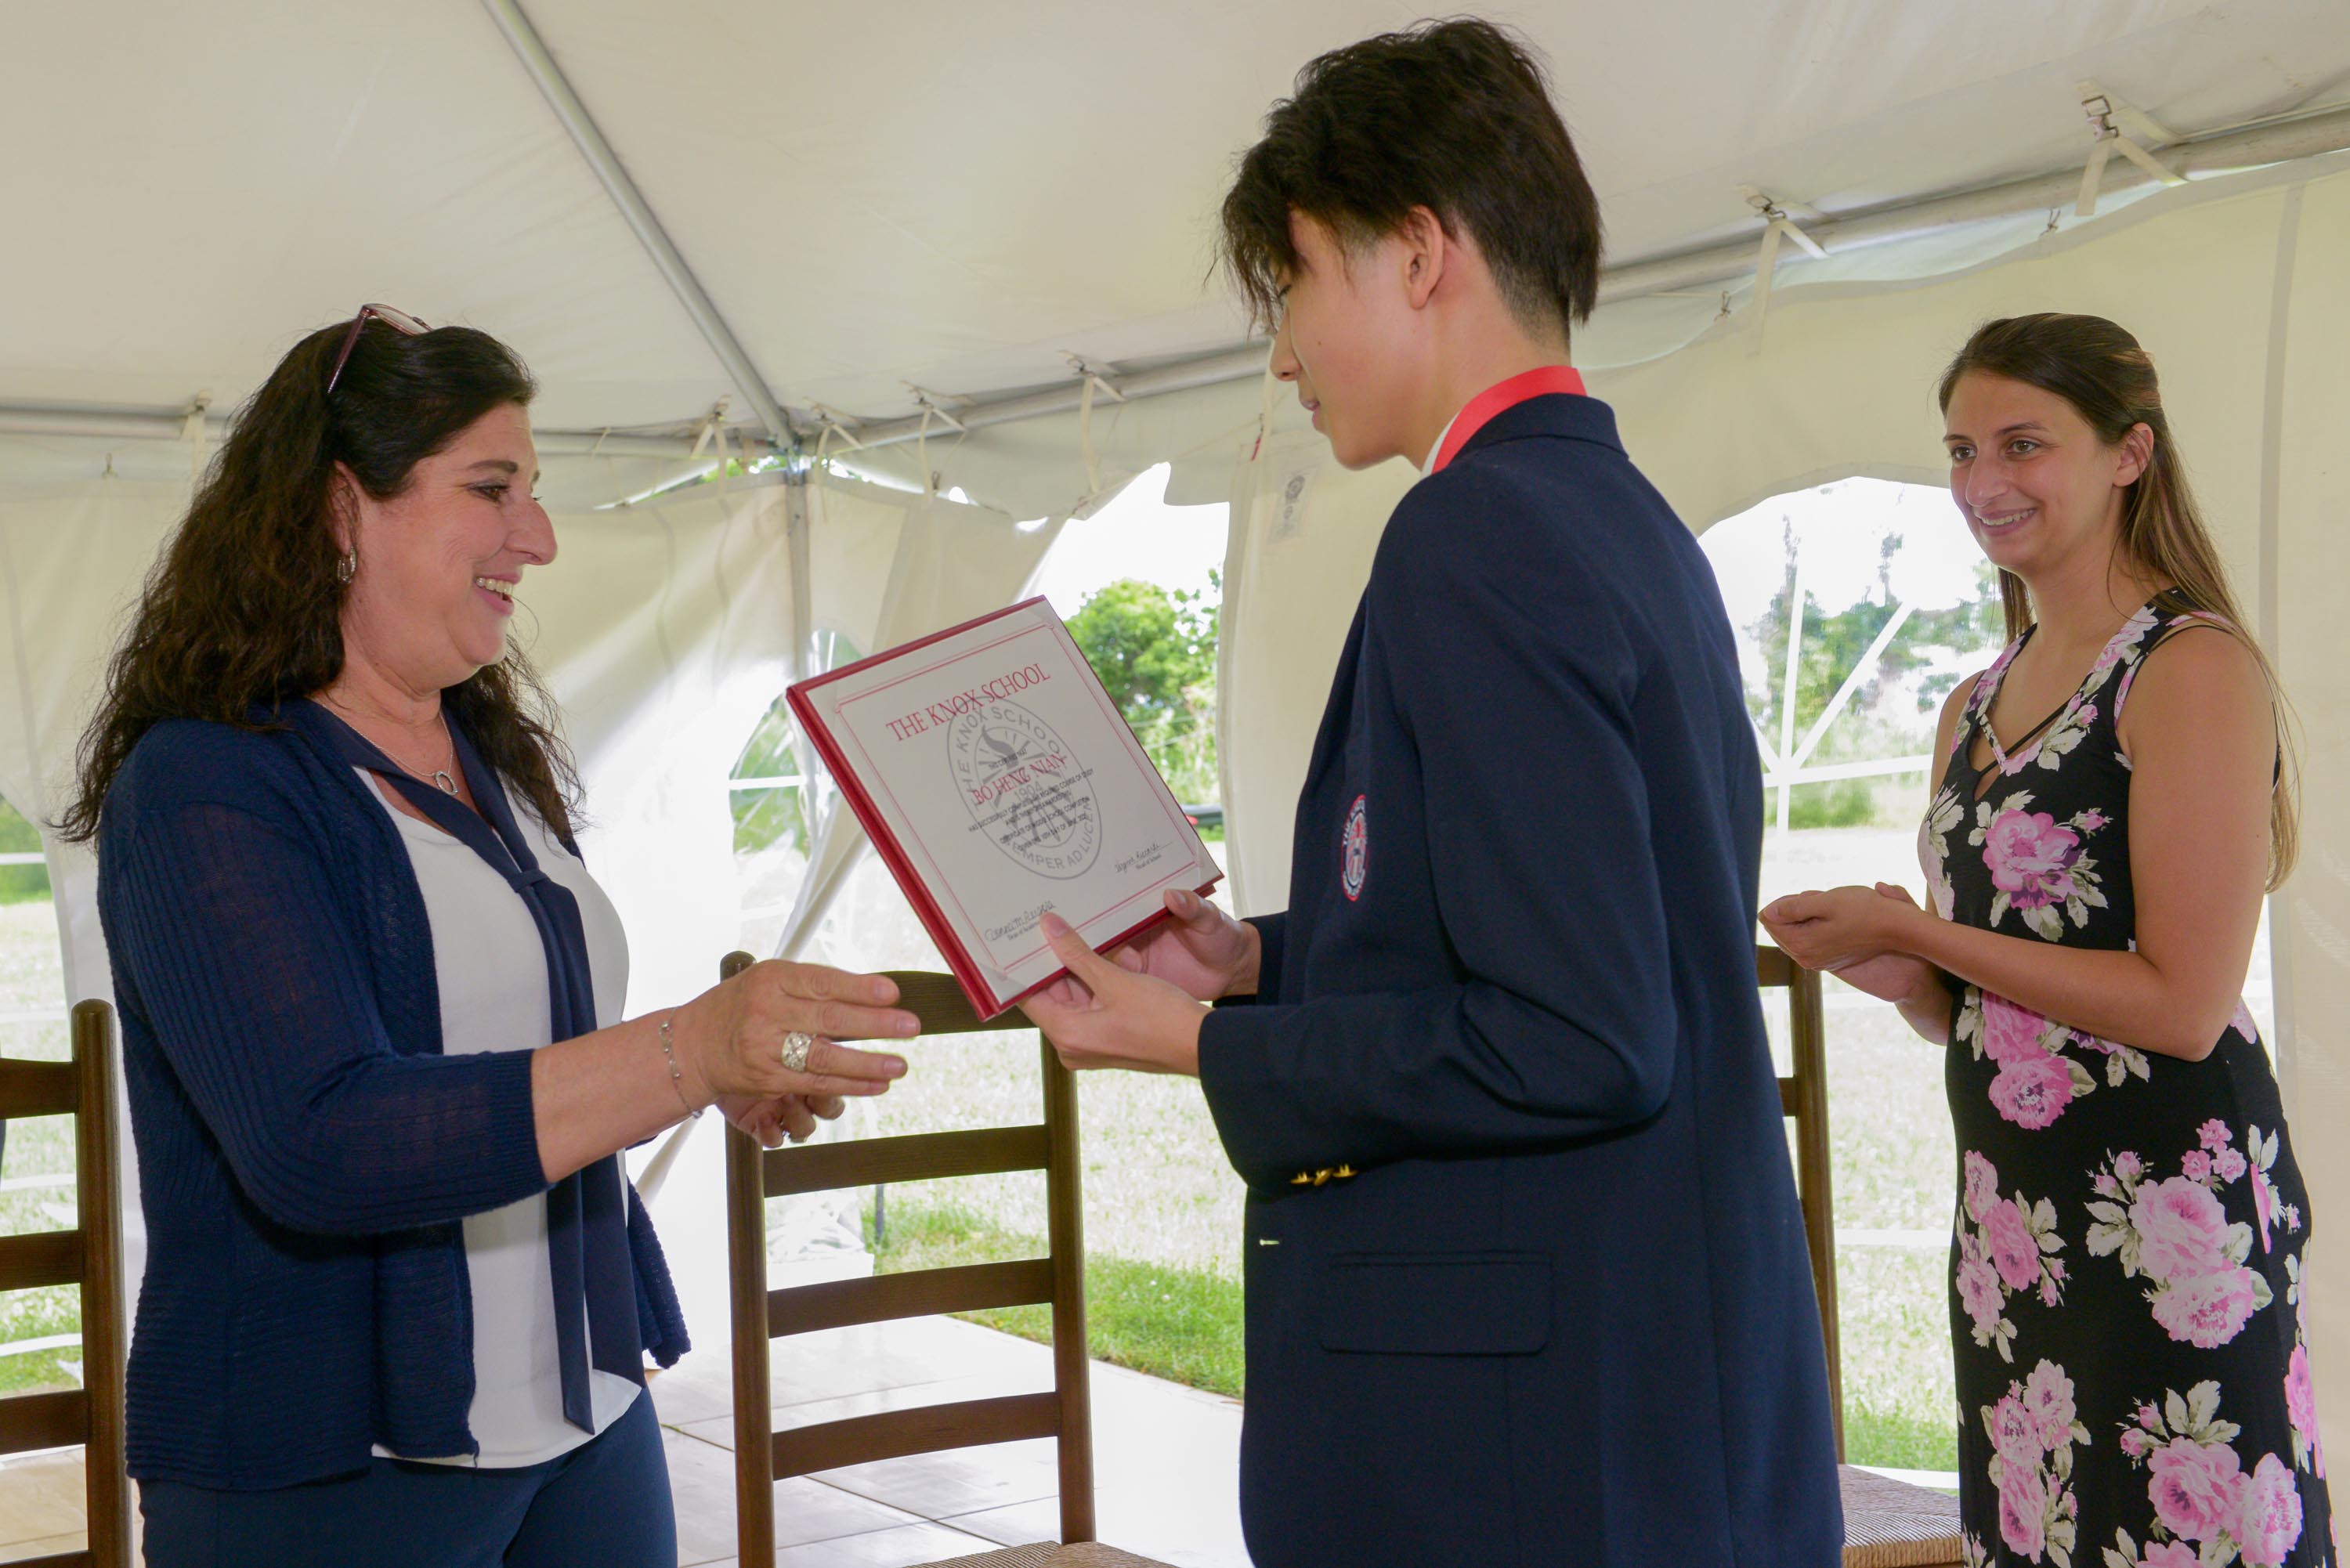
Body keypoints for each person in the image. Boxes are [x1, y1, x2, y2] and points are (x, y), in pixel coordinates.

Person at [1021, 20, 1842, 1566]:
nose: (1280, 349)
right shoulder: (1615, 516)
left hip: (1524, 1445)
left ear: (1415, 253)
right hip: (1652, 1373)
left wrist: (1201, 1038)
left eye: (1293, 286)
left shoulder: (1474, 535)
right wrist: (1266, 954)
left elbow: (1581, 1033)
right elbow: (1572, 910)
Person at [60, 307, 920, 1567]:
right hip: (327, 1464)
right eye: (492, 488)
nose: (541, 536)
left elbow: (512, 1048)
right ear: (341, 507)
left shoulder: (490, 755)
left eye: (536, 490)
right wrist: (683, 1052)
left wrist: (705, 1078)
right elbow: (320, 1138)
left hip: (586, 1411)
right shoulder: (203, 783)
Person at [1762, 314, 2334, 1567]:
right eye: (1964, 450)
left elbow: (2185, 1002)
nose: (1982, 483)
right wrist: (1904, 969)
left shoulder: (2188, 667)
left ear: (2129, 453)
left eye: (2025, 444)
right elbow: (1969, 1007)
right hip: (2016, 1217)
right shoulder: (1973, 704)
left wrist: (1930, 935)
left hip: (2173, 1206)